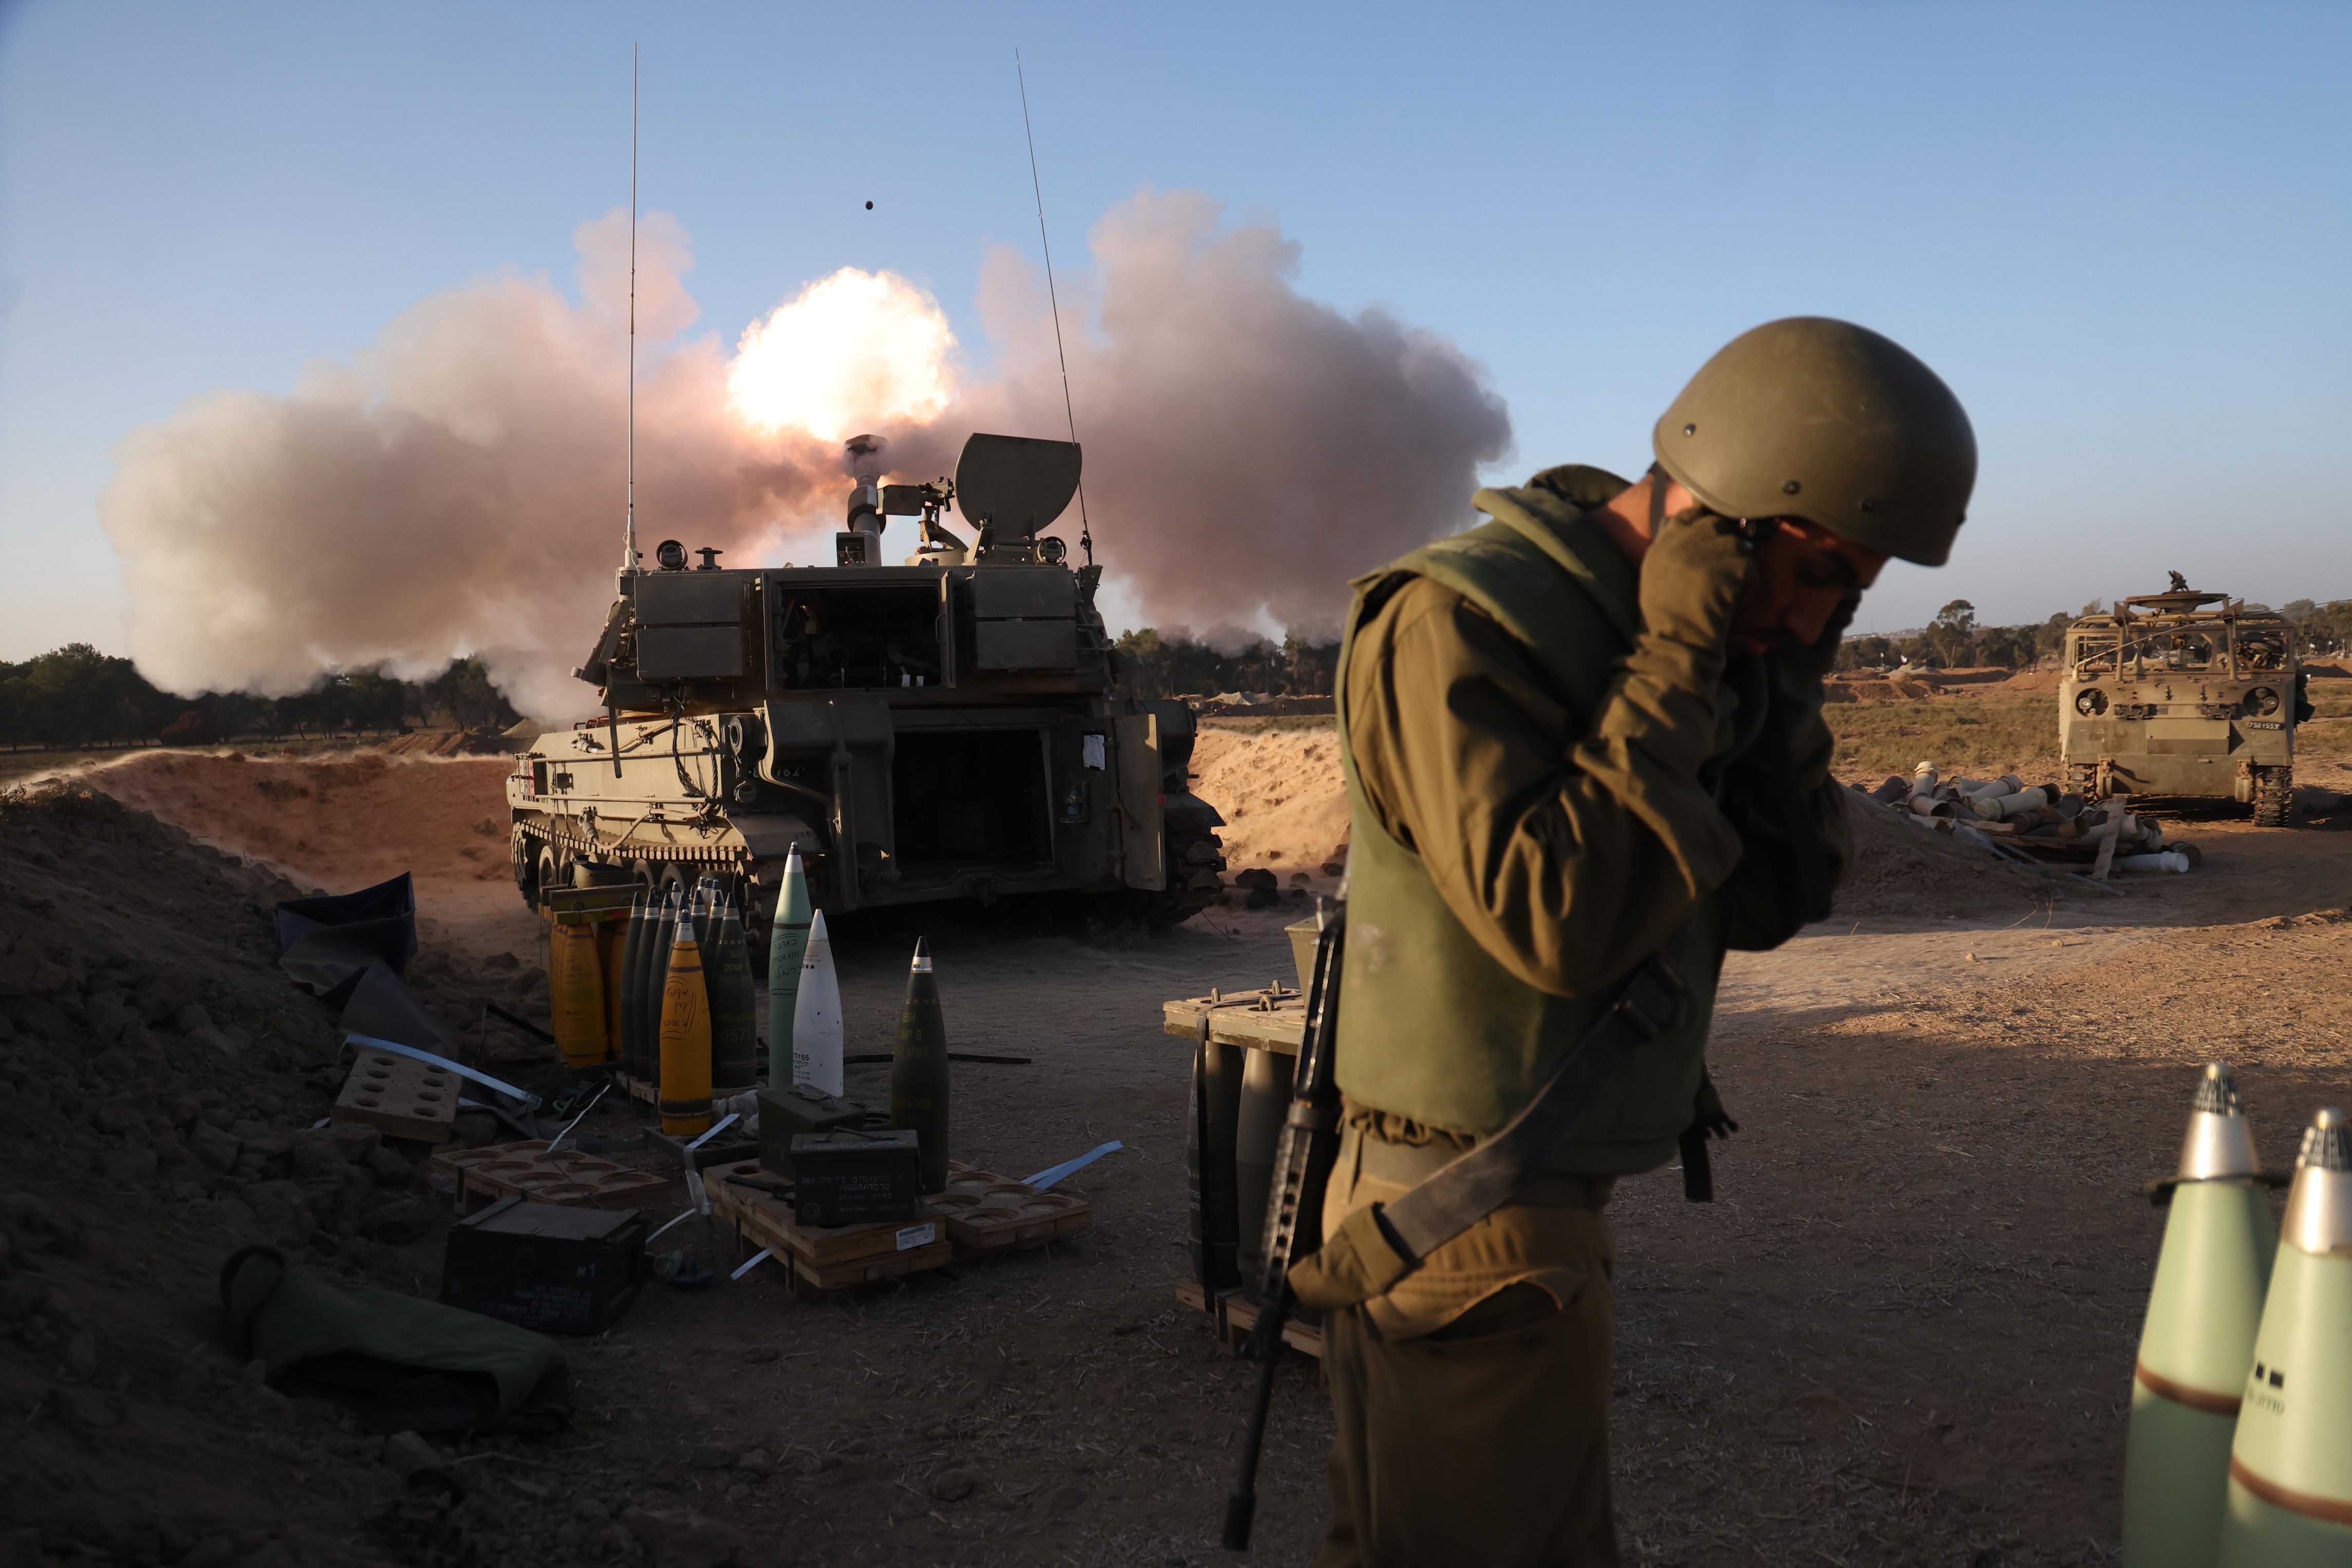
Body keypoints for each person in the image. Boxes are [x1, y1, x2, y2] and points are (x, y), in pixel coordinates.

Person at [1291, 317, 1978, 1566]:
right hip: (1465, 1215)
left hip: (1520, 1214)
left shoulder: (1693, 651)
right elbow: (1562, 923)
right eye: (1822, 572)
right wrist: (1671, 663)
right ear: (1735, 520)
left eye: (1854, 593)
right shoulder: (1466, 624)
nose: (1827, 612)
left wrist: (1776, 694)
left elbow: (1779, 896)